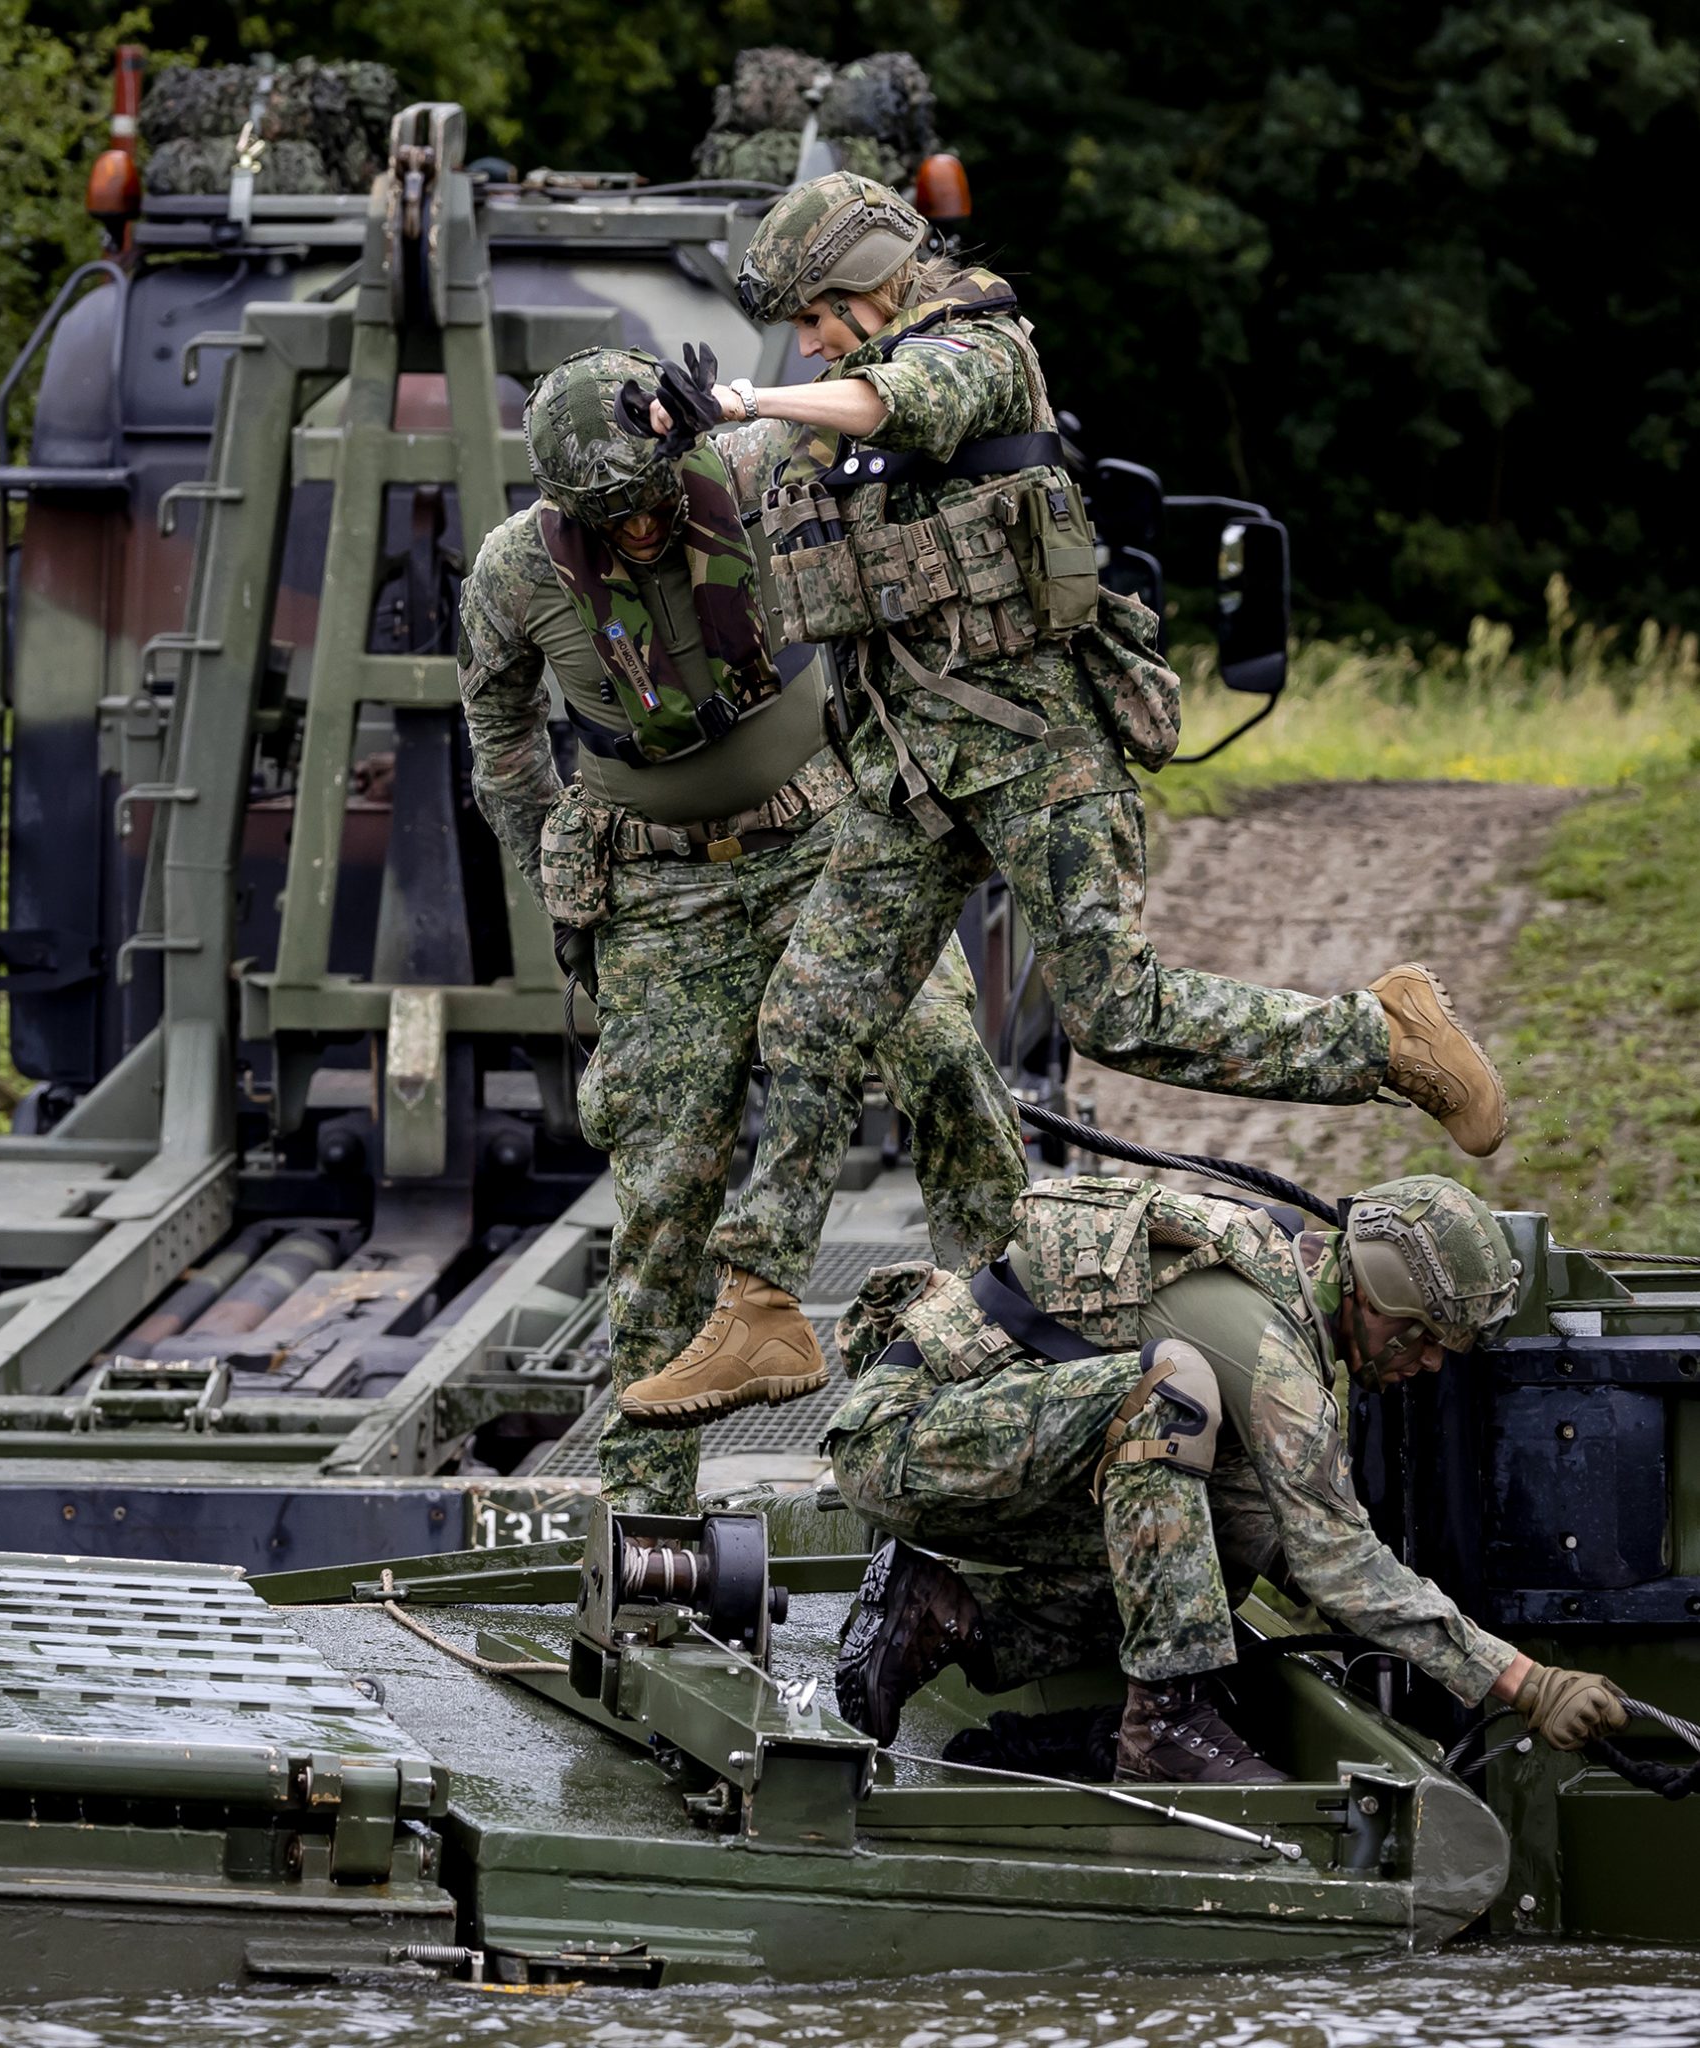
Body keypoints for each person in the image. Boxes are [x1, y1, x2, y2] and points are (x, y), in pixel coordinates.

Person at [612, 170, 1510, 1430]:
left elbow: (897, 398)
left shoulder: (977, 351)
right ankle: (761, 1303)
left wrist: (749, 395)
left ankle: (1385, 1038)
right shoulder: (820, 419)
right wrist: (657, 429)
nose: (805, 342)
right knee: (808, 1017)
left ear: (869, 283)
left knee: (1115, 1015)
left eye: (815, 314)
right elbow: (737, 468)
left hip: (1036, 747)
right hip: (913, 773)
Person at [456, 346, 1029, 1513]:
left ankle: (1012, 1381)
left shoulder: (757, 466)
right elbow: (498, 730)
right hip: (659, 892)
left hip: (827, 845)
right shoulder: (517, 570)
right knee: (663, 1189)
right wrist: (555, 870)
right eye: (610, 518)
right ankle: (647, 1509)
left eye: (651, 501)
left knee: (943, 1065)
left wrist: (749, 403)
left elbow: (902, 413)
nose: (639, 530)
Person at [822, 1171, 1629, 1781]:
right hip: (903, 1447)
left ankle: (952, 1616)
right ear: (1376, 1297)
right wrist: (1523, 1682)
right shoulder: (1270, 1352)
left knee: (1218, 1552)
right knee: (1169, 1397)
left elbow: (1292, 1545)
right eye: (1421, 1338)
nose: (1424, 1365)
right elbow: (1337, 1560)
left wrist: (1390, 1618)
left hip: (966, 1445)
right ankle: (1165, 1724)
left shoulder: (1276, 1278)